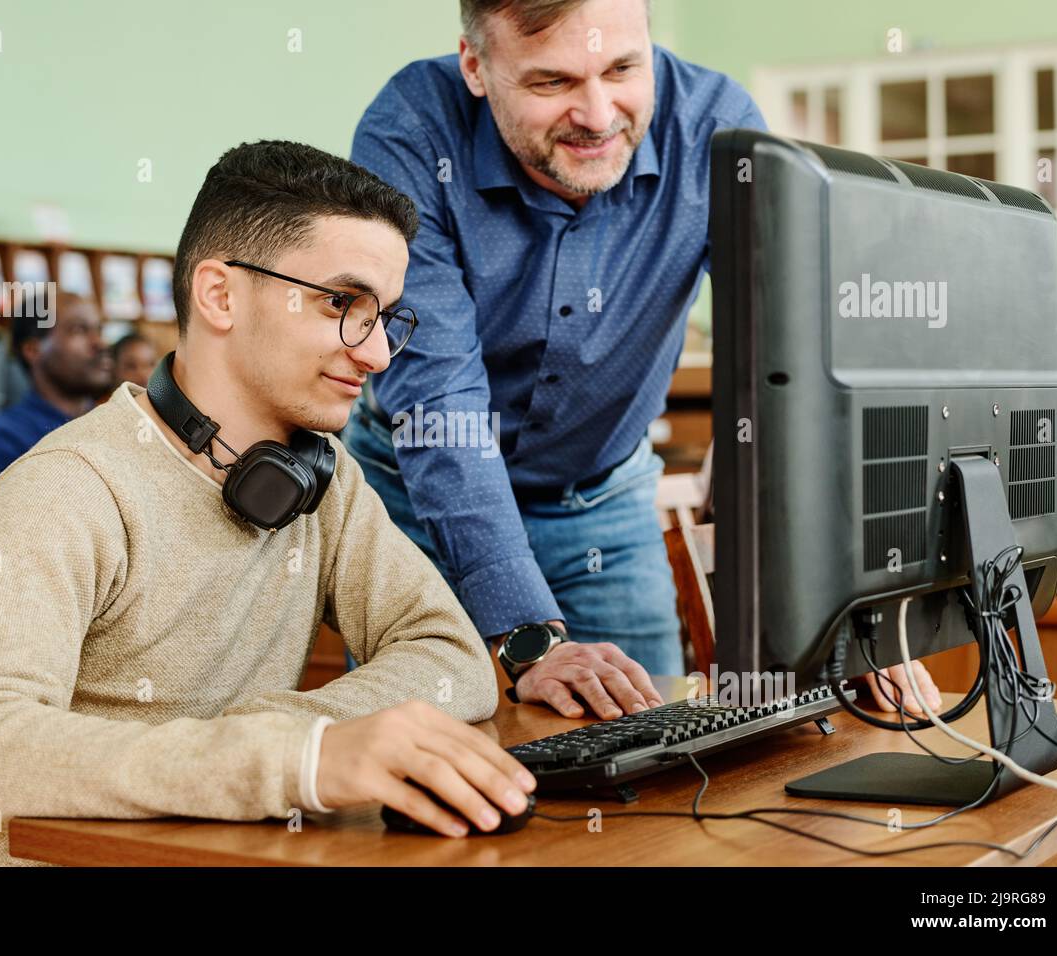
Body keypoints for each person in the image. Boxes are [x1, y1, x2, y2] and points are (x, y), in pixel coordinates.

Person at [0, 141, 537, 865]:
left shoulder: (321, 477)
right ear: (220, 296)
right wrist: (293, 760)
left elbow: (452, 657)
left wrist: (304, 741)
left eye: (385, 316)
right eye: (342, 303)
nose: (377, 356)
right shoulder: (67, 487)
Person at [345, 0, 943, 719]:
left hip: (605, 499)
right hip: (421, 497)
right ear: (476, 66)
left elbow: (802, 358)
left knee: (654, 752)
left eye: (623, 68)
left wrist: (857, 600)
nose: (598, 115)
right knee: (429, 761)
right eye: (551, 84)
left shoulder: (717, 127)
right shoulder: (410, 130)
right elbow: (440, 399)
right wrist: (527, 640)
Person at [0, 292, 113, 496]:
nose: (100, 343)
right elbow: (7, 525)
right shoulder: (4, 440)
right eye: (79, 330)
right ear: (33, 349)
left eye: (99, 330)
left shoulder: (116, 423)